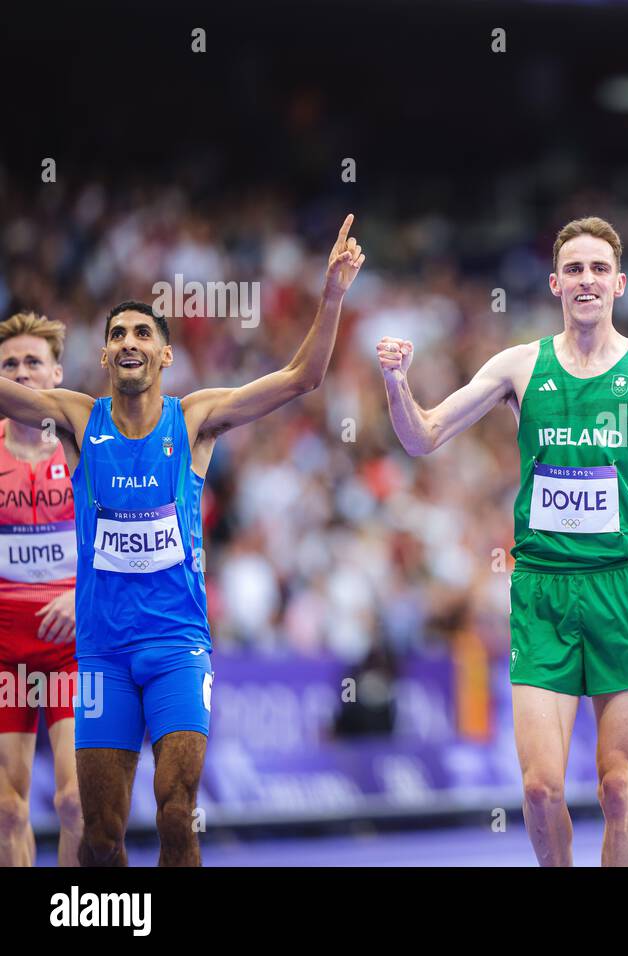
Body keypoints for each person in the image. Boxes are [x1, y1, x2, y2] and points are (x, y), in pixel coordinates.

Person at [376, 216, 628, 867]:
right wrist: (397, 385)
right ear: (555, 282)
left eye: (598, 270)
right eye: (575, 270)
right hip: (542, 592)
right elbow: (422, 436)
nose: (586, 281)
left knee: (618, 788)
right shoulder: (519, 365)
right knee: (538, 789)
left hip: (624, 586)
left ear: (618, 283)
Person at [0, 215, 364, 866]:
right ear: (105, 355)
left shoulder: (194, 419)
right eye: (117, 334)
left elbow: (302, 380)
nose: (129, 341)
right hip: (103, 657)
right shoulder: (79, 418)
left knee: (175, 813)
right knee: (102, 835)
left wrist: (331, 295)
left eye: (143, 332)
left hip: (176, 649)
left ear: (165, 354)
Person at [0, 313, 82, 866]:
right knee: (8, 811)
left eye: (33, 362)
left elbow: (124, 540)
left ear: (56, 373)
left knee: (77, 802)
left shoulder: (84, 450)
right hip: (4, 650)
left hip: (70, 644)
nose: (22, 373)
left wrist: (84, 595)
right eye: (9, 364)